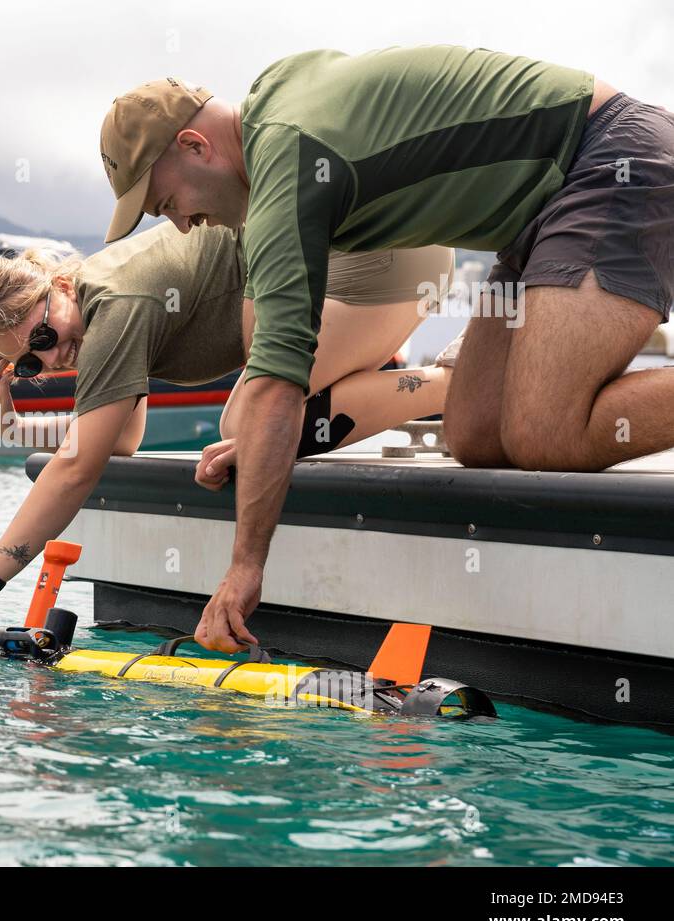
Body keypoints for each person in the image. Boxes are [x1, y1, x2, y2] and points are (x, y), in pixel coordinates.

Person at [99, 50, 674, 653]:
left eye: (166, 205)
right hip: (531, 219)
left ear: (195, 146)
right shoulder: (273, 105)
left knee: (545, 433)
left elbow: (277, 382)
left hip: (607, 158)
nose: (183, 226)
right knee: (474, 432)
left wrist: (244, 568)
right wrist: (268, 441)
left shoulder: (287, 162)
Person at [0, 222, 453, 632]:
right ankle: (443, 380)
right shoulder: (104, 303)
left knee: (248, 421)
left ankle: (455, 383)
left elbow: (76, 468)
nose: (48, 364)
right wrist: (12, 426)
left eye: (42, 339)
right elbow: (119, 440)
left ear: (62, 286)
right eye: (28, 365)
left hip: (384, 262)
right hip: (403, 258)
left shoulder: (117, 301)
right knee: (249, 423)